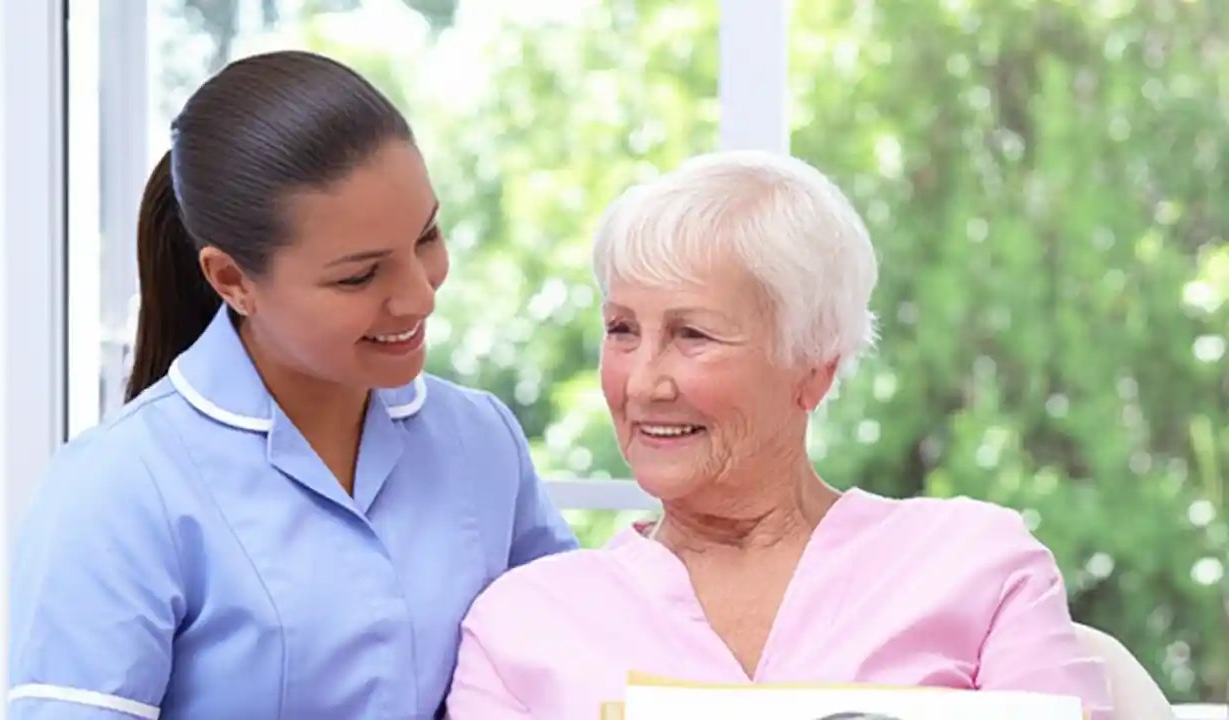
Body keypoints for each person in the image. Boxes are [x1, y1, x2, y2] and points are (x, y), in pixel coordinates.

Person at [8, 50, 576, 719]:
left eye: (426, 237)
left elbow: (573, 664)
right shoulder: (119, 487)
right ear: (231, 280)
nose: (420, 297)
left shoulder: (480, 440)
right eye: (360, 276)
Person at [445, 151, 1114, 718]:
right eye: (622, 330)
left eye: (692, 335)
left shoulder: (977, 566)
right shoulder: (521, 625)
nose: (643, 383)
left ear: (814, 371)